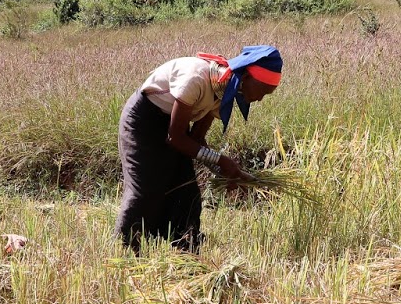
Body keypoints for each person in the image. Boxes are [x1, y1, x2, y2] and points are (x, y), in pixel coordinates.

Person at [117, 45, 282, 253]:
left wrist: (227, 172)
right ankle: (125, 252)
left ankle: (186, 254)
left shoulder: (226, 92)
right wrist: (222, 161)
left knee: (187, 193)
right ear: (248, 76)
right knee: (145, 191)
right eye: (263, 90)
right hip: (143, 123)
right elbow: (175, 137)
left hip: (174, 129)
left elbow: (196, 138)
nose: (261, 99)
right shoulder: (196, 78)